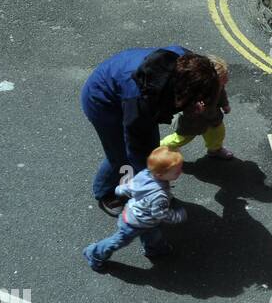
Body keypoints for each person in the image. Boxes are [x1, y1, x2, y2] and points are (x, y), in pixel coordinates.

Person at [81, 47, 219, 215]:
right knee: (121, 155)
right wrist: (155, 184)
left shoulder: (189, 63)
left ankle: (147, 189)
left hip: (131, 94)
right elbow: (136, 148)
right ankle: (106, 193)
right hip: (103, 102)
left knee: (152, 151)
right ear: (181, 92)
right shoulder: (140, 100)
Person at [83, 146, 188, 271]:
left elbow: (131, 186)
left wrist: (119, 190)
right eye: (177, 171)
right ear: (160, 174)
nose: (180, 172)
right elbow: (160, 214)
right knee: (119, 241)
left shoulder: (145, 174)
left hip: (134, 212)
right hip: (135, 223)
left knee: (152, 234)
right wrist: (177, 216)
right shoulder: (160, 196)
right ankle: (94, 253)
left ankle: (154, 249)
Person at [160, 56, 234, 159]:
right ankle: (160, 147)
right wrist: (194, 108)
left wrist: (225, 105)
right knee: (180, 139)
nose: (226, 80)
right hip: (192, 123)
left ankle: (215, 149)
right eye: (223, 78)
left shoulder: (218, 86)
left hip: (213, 118)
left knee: (218, 134)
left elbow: (221, 95)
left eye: (226, 76)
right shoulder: (193, 89)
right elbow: (181, 105)